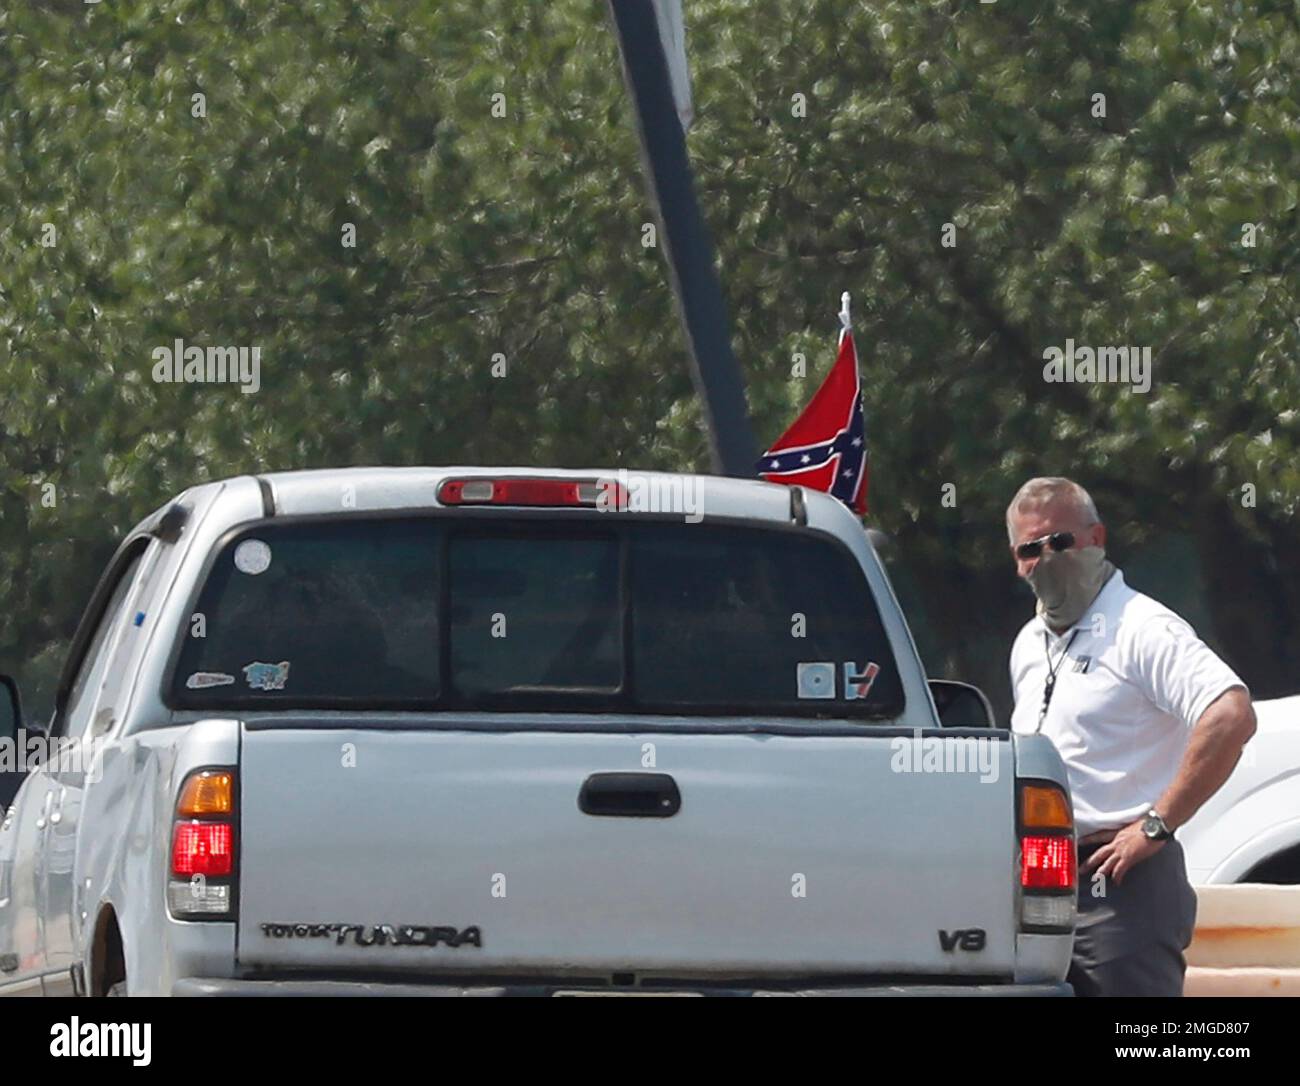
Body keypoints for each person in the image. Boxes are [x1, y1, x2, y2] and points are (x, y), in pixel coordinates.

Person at [1005, 477, 1256, 996]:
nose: (1047, 558)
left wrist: (1155, 826)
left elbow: (1231, 715)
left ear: (1096, 538)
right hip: (1038, 888)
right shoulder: (1028, 643)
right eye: (1032, 548)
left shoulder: (1142, 627)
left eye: (1061, 542)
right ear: (1016, 560)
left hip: (1122, 883)